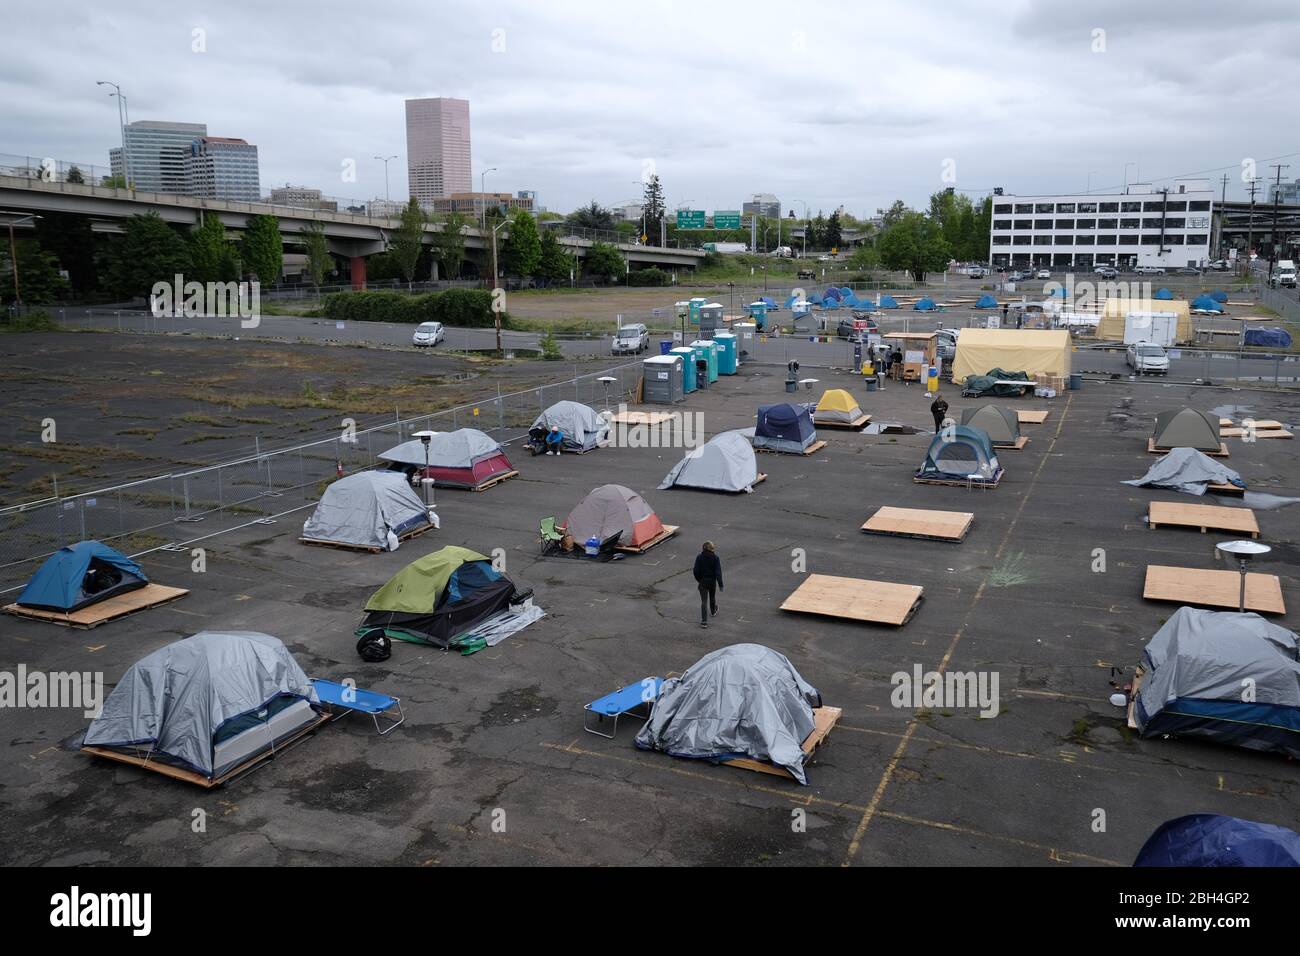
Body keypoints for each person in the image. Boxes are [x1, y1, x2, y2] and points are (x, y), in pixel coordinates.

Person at [693, 541, 723, 628]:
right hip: (712, 582)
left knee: (704, 602)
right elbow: (718, 572)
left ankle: (704, 622)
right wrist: (720, 584)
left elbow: (695, 571)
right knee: (712, 597)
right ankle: (713, 611)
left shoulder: (699, 557)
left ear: (703, 548)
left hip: (703, 582)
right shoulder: (715, 558)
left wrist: (699, 579)